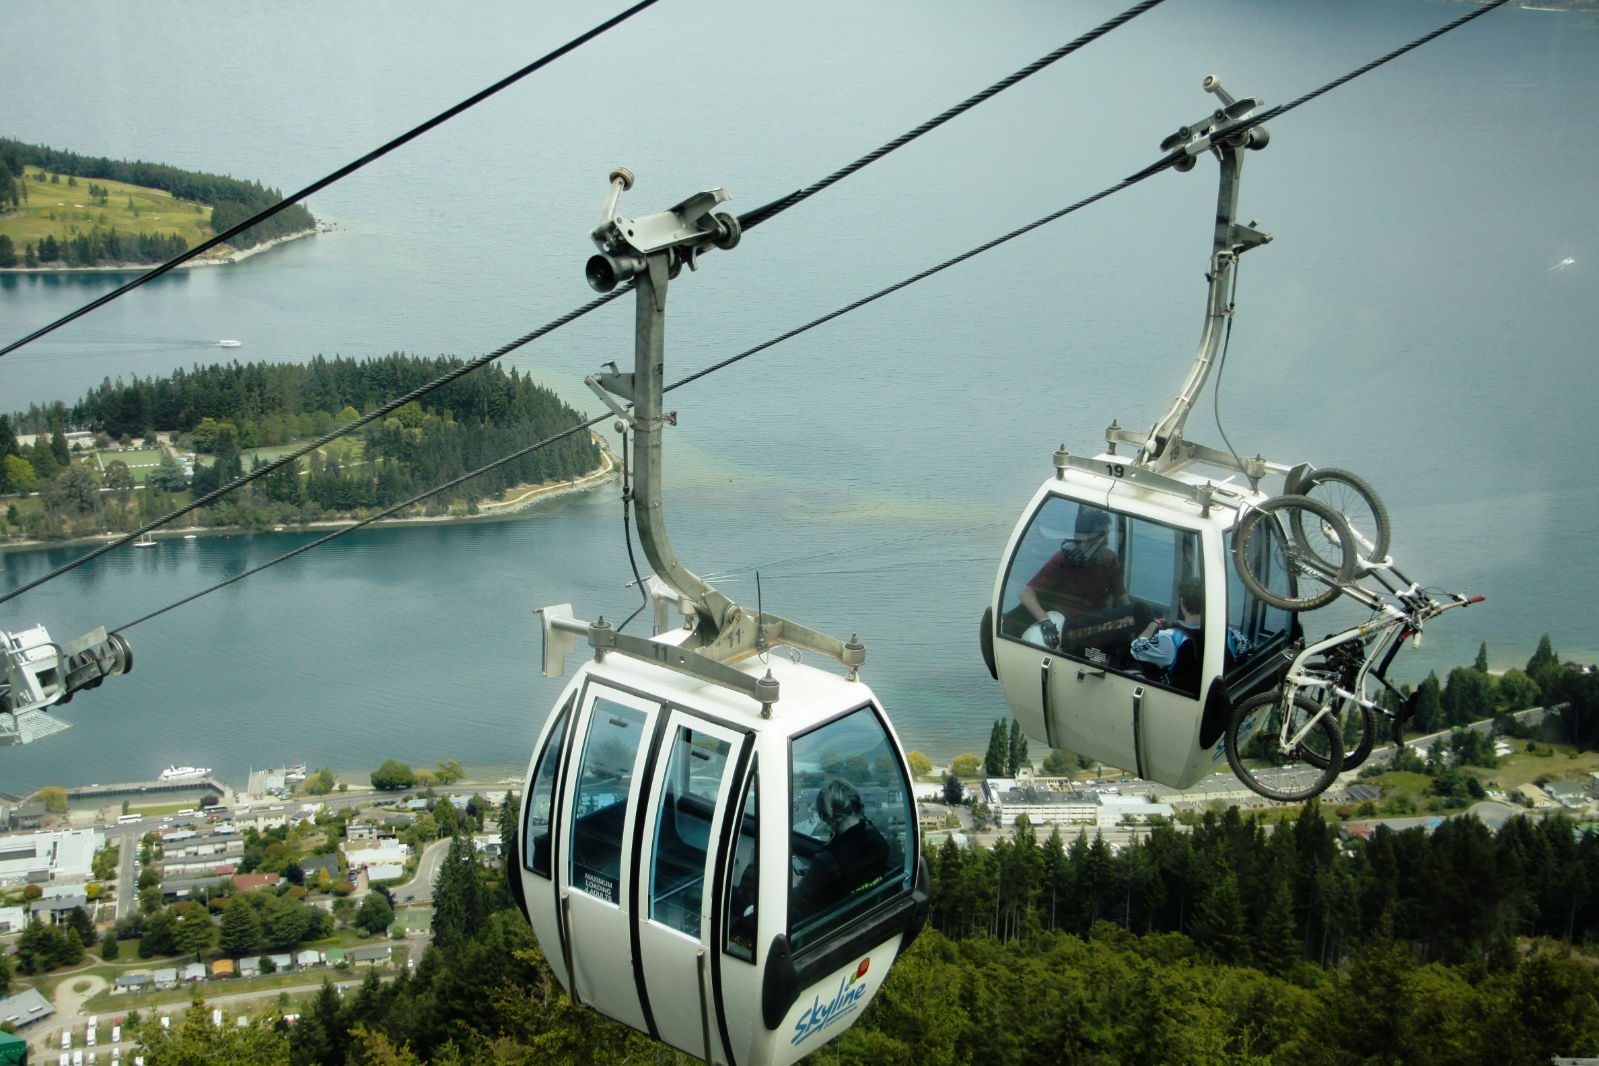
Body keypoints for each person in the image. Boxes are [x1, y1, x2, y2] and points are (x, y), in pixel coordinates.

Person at [1018, 506, 1129, 648]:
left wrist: (1130, 640)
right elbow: (1026, 593)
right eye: (1101, 535)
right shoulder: (1063, 559)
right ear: (1084, 535)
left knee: (1139, 611)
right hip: (1068, 627)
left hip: (1096, 625)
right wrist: (1045, 622)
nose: (1106, 540)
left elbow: (1121, 599)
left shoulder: (1109, 560)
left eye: (1107, 534)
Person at [791, 779, 890, 924]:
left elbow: (796, 900)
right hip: (855, 918)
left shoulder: (829, 860)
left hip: (817, 927)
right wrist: (817, 875)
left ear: (826, 816)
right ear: (856, 807)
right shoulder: (879, 842)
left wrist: (795, 882)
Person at [1131, 578, 1204, 692]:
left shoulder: (1170, 638)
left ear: (1182, 602)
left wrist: (1153, 625)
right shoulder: (1231, 635)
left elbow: (1136, 648)